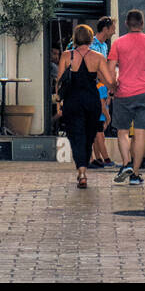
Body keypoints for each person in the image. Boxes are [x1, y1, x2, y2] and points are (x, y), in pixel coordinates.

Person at [108, 9, 145, 185]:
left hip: (123, 93)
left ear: (126, 23)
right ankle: (135, 173)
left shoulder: (118, 43)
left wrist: (113, 87)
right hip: (144, 93)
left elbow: (110, 68)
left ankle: (126, 163)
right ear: (142, 23)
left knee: (122, 131)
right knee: (140, 134)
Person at [57, 25, 113, 188]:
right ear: (90, 38)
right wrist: (114, 88)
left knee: (76, 137)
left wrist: (59, 102)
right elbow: (107, 81)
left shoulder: (67, 56)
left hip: (72, 102)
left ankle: (81, 172)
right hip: (91, 101)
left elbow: (59, 82)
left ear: (75, 38)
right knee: (88, 137)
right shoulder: (98, 57)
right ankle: (84, 169)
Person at [89, 17, 116, 168]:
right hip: (96, 88)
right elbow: (97, 69)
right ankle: (104, 158)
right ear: (105, 28)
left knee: (98, 127)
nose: (114, 31)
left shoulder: (104, 46)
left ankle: (97, 158)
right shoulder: (92, 44)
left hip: (102, 89)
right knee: (98, 126)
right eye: (112, 27)